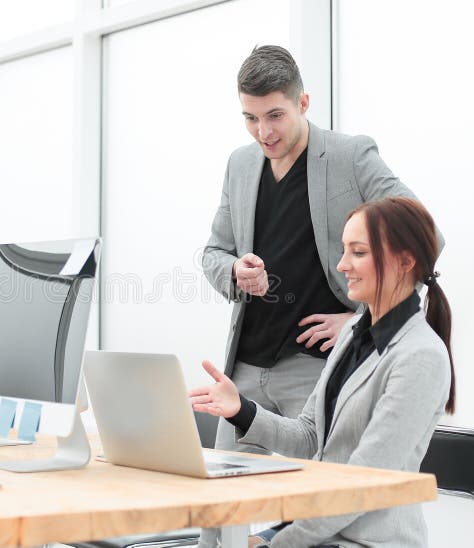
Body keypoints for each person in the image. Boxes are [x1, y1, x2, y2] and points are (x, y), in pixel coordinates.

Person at [202, 44, 443, 451]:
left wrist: (359, 320)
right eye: (251, 118)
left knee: (314, 498)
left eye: (275, 116)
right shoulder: (239, 165)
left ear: (303, 103)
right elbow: (214, 253)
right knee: (222, 504)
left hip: (313, 368)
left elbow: (425, 237)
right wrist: (234, 272)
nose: (264, 132)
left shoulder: (351, 156)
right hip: (244, 365)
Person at [192, 197, 455, 548]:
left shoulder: (420, 357)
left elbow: (361, 486)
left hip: (365, 540)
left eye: (358, 252)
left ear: (404, 261)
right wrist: (241, 408)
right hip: (320, 531)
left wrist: (276, 545)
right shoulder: (352, 333)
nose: (342, 264)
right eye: (344, 250)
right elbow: (309, 437)